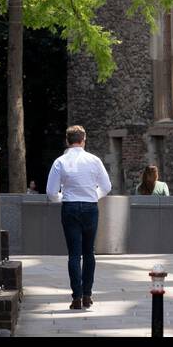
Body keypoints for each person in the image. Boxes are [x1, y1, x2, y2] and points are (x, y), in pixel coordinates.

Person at [45, 125, 112, 310]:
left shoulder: (60, 161)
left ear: (67, 141)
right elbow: (106, 187)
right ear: (84, 140)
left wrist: (63, 197)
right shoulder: (94, 160)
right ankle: (88, 295)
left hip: (70, 207)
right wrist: (92, 195)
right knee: (89, 252)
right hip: (90, 207)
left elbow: (51, 192)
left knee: (74, 254)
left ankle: (76, 296)